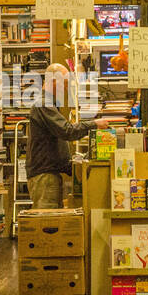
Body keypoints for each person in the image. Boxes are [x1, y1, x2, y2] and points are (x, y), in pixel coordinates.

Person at [26, 63, 95, 209]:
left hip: (49, 174)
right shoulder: (43, 104)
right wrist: (94, 124)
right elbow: (66, 131)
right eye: (64, 83)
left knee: (52, 223)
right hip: (44, 176)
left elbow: (57, 139)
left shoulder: (49, 104)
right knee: (46, 224)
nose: (65, 88)